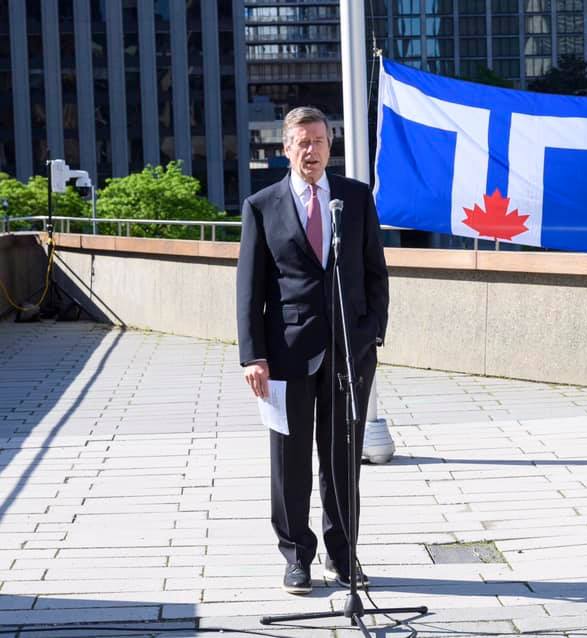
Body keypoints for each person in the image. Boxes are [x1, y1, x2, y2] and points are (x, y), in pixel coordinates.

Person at [236, 106, 389, 594]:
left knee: (342, 459)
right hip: (285, 354)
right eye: (302, 143)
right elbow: (250, 288)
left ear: (329, 146)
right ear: (286, 149)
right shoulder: (262, 205)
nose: (312, 150)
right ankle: (297, 556)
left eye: (319, 141)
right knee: (290, 461)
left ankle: (343, 556)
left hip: (350, 353)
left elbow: (375, 273)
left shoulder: (355, 199)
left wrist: (372, 335)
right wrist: (251, 355)